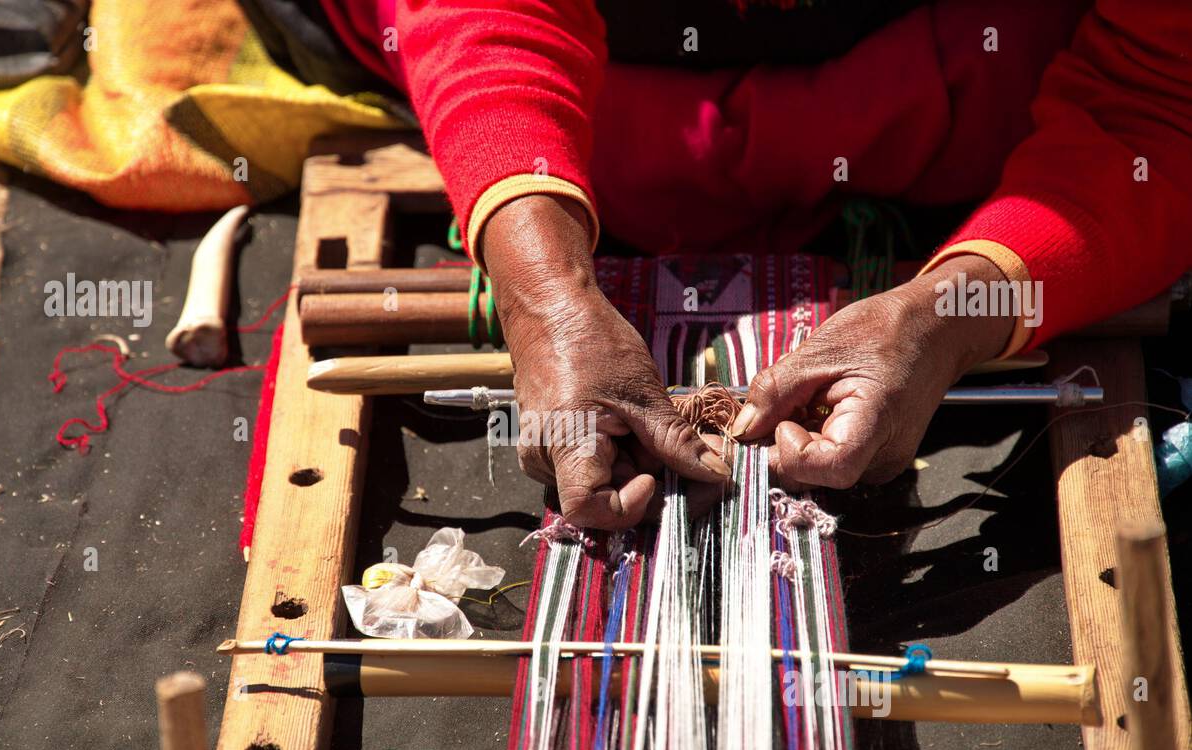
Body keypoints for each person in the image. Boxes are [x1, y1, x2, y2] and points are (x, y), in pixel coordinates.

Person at [271, 0, 1192, 527]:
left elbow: (1155, 96)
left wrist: (955, 307)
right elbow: (486, 19)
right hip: (600, 81)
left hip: (974, 63)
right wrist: (542, 288)